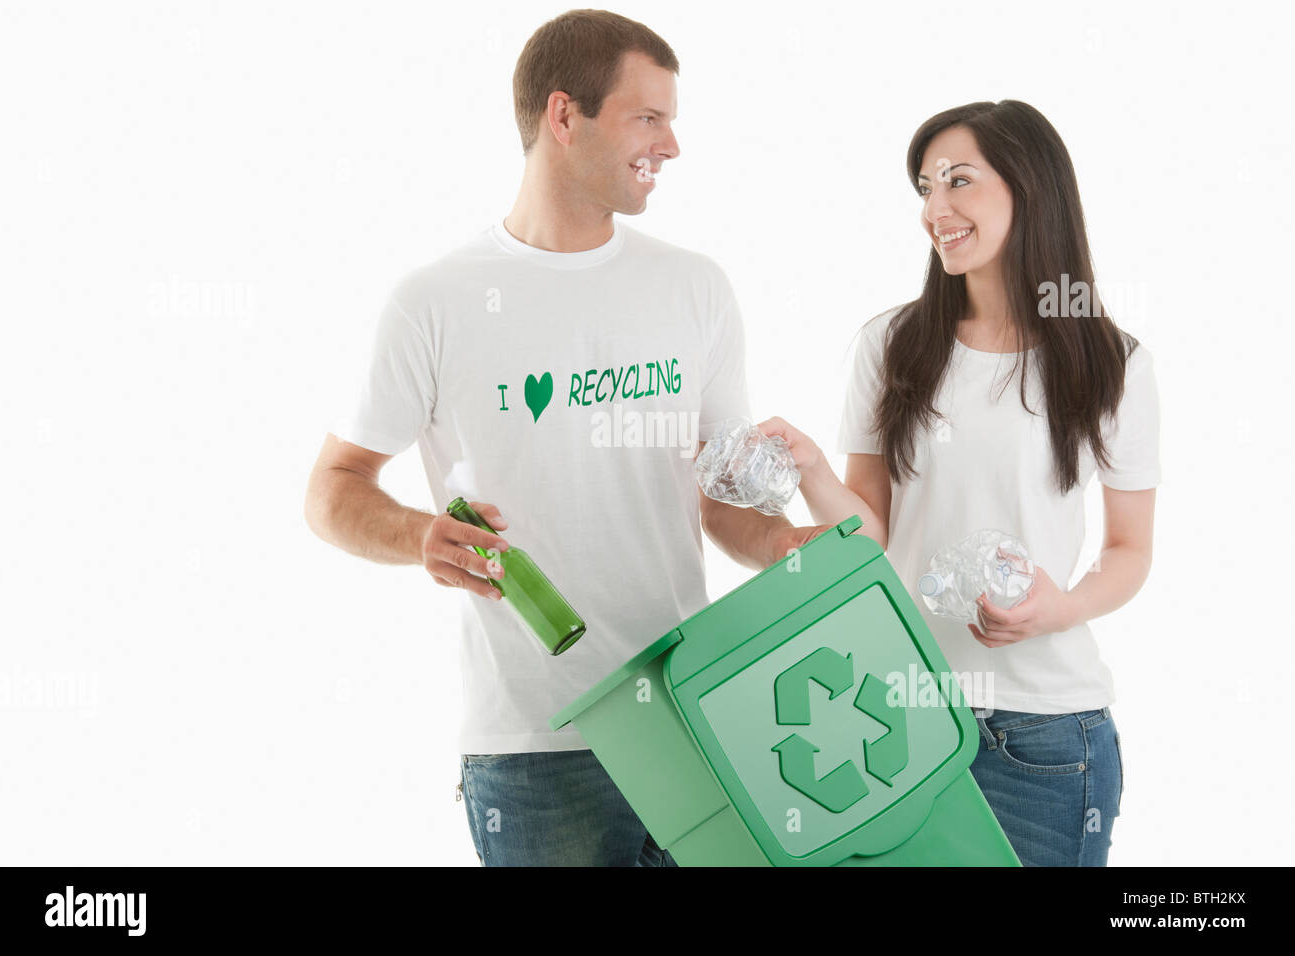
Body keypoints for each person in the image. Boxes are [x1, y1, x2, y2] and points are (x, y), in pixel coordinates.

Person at [302, 9, 829, 867]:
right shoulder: (436, 301)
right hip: (537, 752)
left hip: (694, 719)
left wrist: (785, 544)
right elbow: (331, 487)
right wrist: (417, 535)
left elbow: (718, 498)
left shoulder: (694, 288)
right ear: (562, 115)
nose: (672, 146)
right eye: (648, 117)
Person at [762, 100, 1160, 866]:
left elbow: (1129, 548)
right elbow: (869, 537)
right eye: (923, 188)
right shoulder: (893, 344)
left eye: (957, 182)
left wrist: (1062, 607)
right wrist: (811, 467)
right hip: (901, 716)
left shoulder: (1114, 362)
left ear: (1029, 188)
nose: (934, 210)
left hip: (1045, 735)